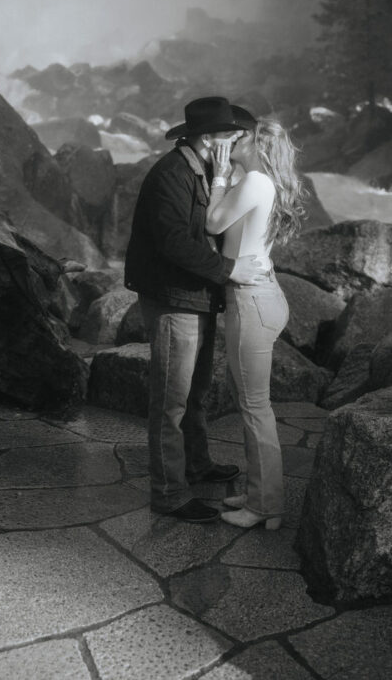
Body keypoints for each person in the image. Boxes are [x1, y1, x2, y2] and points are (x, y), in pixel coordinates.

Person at [124, 96, 268, 523]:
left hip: (195, 296)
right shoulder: (170, 174)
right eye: (231, 135)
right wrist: (230, 270)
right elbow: (174, 244)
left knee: (195, 393)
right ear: (209, 140)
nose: (238, 139)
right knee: (171, 400)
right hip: (173, 299)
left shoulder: (204, 168)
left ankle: (197, 464)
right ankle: (169, 493)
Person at [205, 117, 307, 530]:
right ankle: (260, 492)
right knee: (253, 405)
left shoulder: (254, 182)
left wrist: (218, 176)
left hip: (252, 300)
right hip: (261, 293)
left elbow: (213, 224)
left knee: (254, 408)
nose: (234, 138)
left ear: (259, 144)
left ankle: (266, 507)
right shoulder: (260, 182)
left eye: (242, 135)